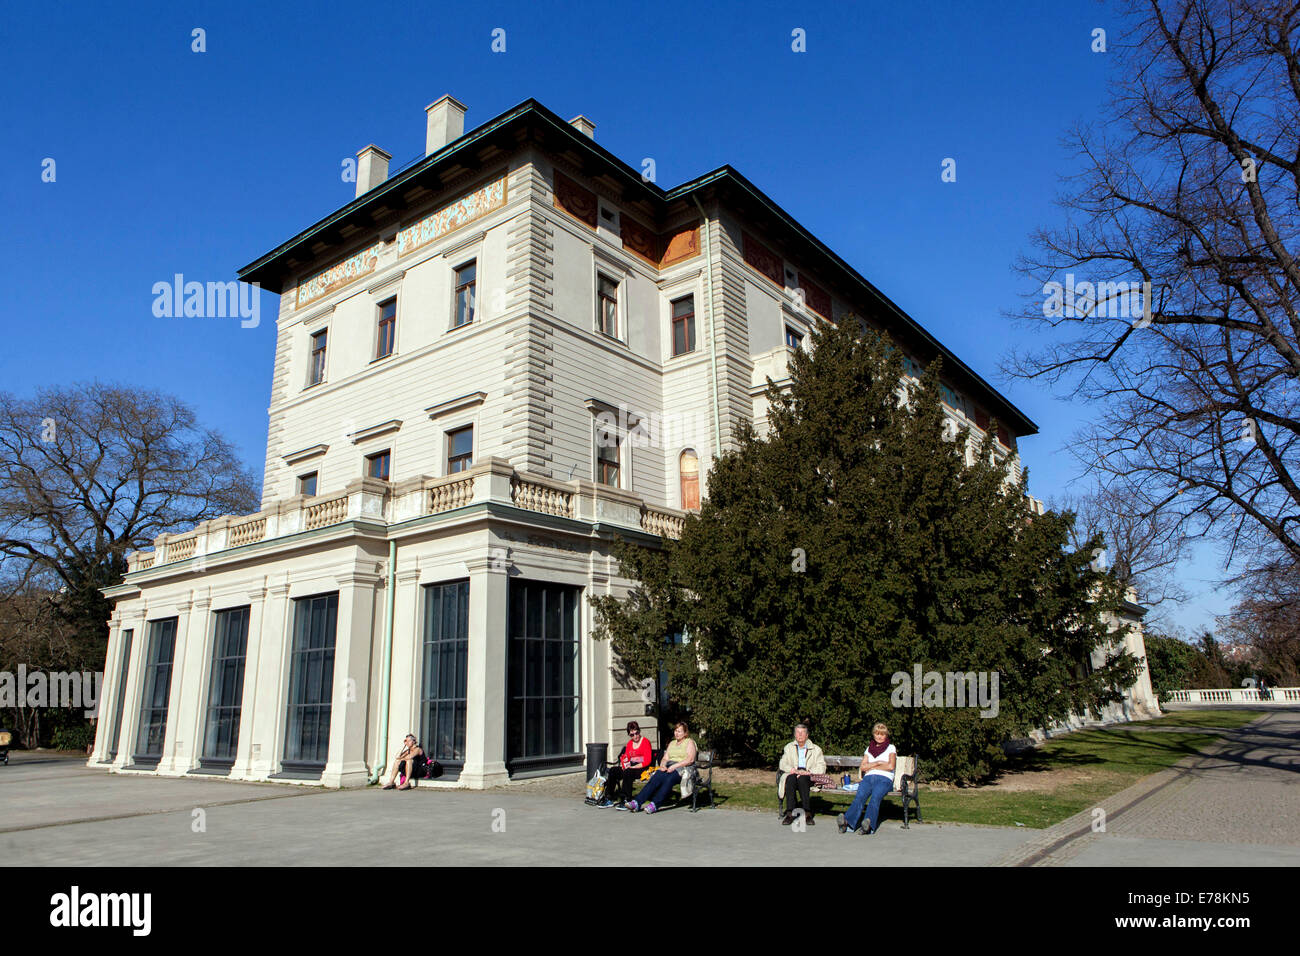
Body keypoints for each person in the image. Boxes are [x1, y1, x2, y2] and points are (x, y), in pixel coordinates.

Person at [626, 721, 696, 814]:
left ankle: (655, 804)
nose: (676, 733)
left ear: (685, 733)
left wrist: (675, 766)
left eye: (679, 731)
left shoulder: (689, 742)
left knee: (669, 779)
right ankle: (637, 802)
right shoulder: (672, 743)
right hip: (669, 766)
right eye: (675, 731)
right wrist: (662, 765)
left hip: (683, 767)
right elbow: (665, 758)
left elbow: (690, 759)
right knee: (657, 776)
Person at [838, 723, 896, 835]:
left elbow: (890, 766)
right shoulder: (869, 749)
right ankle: (847, 822)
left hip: (885, 779)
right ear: (873, 734)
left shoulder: (891, 747)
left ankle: (868, 825)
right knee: (859, 797)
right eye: (877, 734)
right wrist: (878, 762)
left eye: (882, 734)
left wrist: (871, 765)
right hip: (868, 778)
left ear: (886, 735)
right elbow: (863, 767)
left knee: (875, 797)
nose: (879, 736)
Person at [777, 722, 826, 825]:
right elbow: (782, 763)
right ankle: (790, 813)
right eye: (798, 733)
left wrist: (808, 772)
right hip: (793, 772)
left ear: (807, 735)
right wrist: (792, 770)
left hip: (809, 774)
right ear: (795, 735)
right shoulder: (788, 747)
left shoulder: (816, 749)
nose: (800, 735)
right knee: (790, 779)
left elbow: (821, 766)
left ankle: (807, 813)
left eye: (802, 733)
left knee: (802, 779)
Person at [600, 720, 653, 808]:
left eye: (637, 733)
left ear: (639, 731)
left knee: (628, 772)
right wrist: (624, 763)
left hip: (642, 768)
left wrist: (633, 767)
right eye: (632, 735)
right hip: (631, 767)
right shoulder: (629, 744)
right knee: (613, 770)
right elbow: (627, 757)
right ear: (629, 735)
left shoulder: (645, 742)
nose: (635, 736)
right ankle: (609, 798)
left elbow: (647, 761)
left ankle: (626, 799)